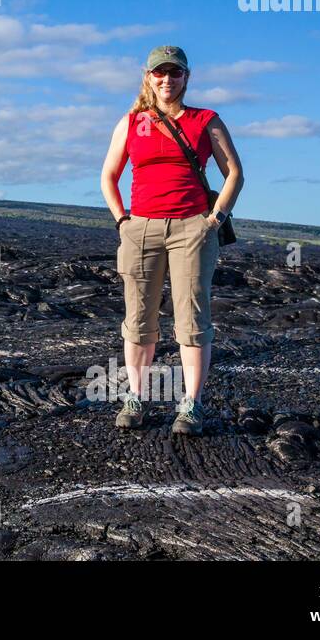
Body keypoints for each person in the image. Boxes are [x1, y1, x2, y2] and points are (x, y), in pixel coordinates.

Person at [98, 45, 244, 435]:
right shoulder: (131, 121)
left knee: (193, 318)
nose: (167, 80)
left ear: (186, 77)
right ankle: (136, 397)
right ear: (148, 77)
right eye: (159, 73)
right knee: (139, 318)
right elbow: (108, 175)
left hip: (191, 229)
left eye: (174, 73)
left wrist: (214, 220)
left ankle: (191, 405)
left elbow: (235, 173)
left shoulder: (206, 120)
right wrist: (122, 222)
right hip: (140, 227)